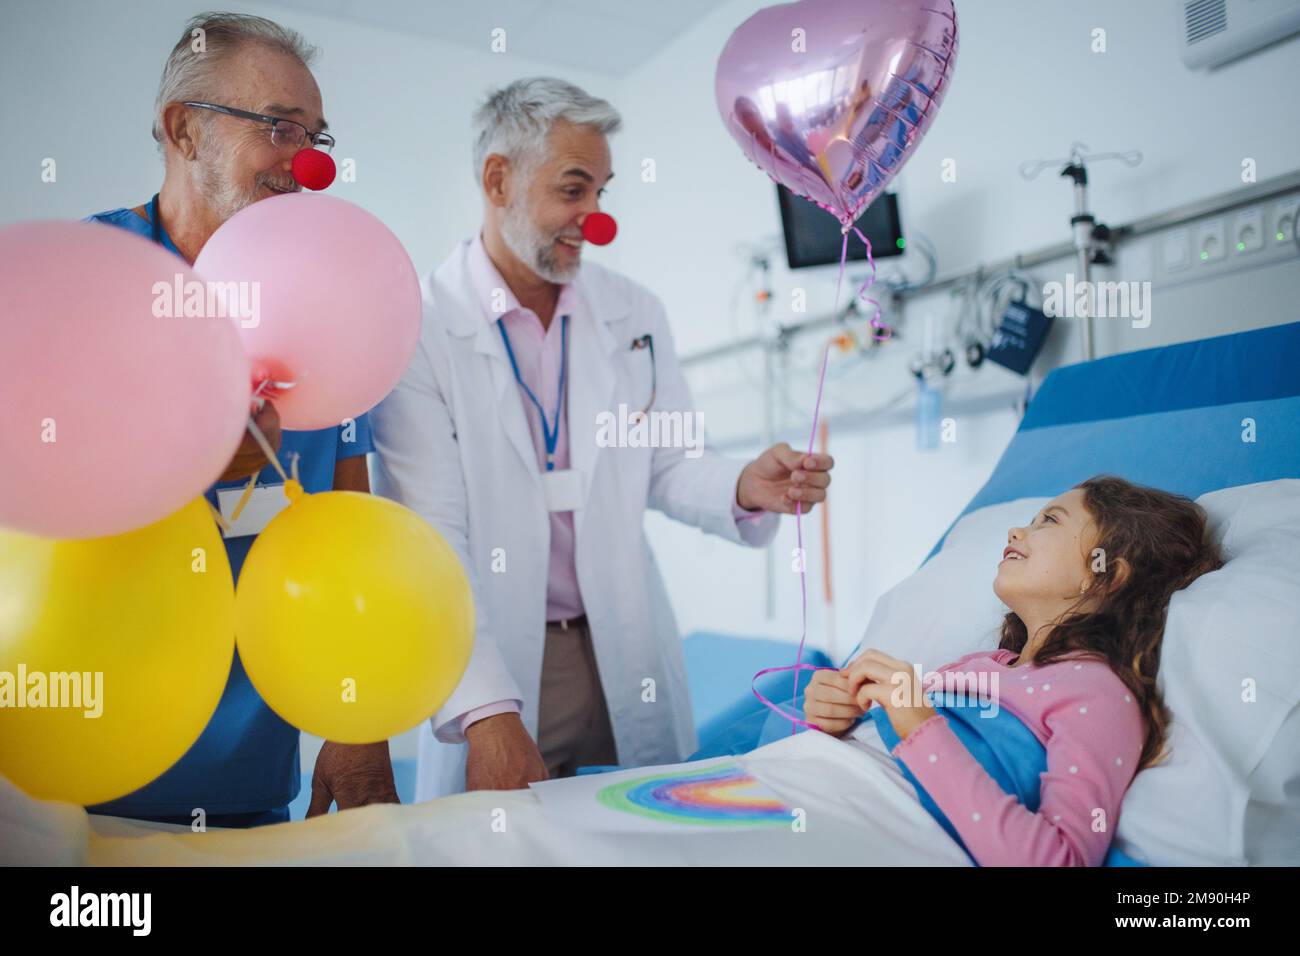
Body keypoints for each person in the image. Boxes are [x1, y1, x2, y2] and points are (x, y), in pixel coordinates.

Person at [371, 77, 835, 798]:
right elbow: (430, 535)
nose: (594, 218)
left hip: (624, 635)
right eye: (573, 189)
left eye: (603, 193)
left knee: (651, 833)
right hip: (505, 653)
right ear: (498, 179)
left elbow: (670, 462)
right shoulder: (418, 325)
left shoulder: (632, 313)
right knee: (504, 846)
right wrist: (487, 711)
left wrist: (743, 485)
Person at [84, 12, 396, 828]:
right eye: (281, 129)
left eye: (317, 135)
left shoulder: (338, 304)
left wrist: (355, 725)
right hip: (76, 778)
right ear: (183, 130)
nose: (309, 163)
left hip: (259, 782)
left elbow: (348, 530)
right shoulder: (83, 287)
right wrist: (180, 475)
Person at [804, 475, 1223, 865]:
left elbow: (1061, 858)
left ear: (1106, 572)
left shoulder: (1098, 693)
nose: (1016, 532)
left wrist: (918, 725)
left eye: (1049, 521)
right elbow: (881, 744)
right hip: (799, 789)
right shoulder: (979, 666)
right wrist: (833, 715)